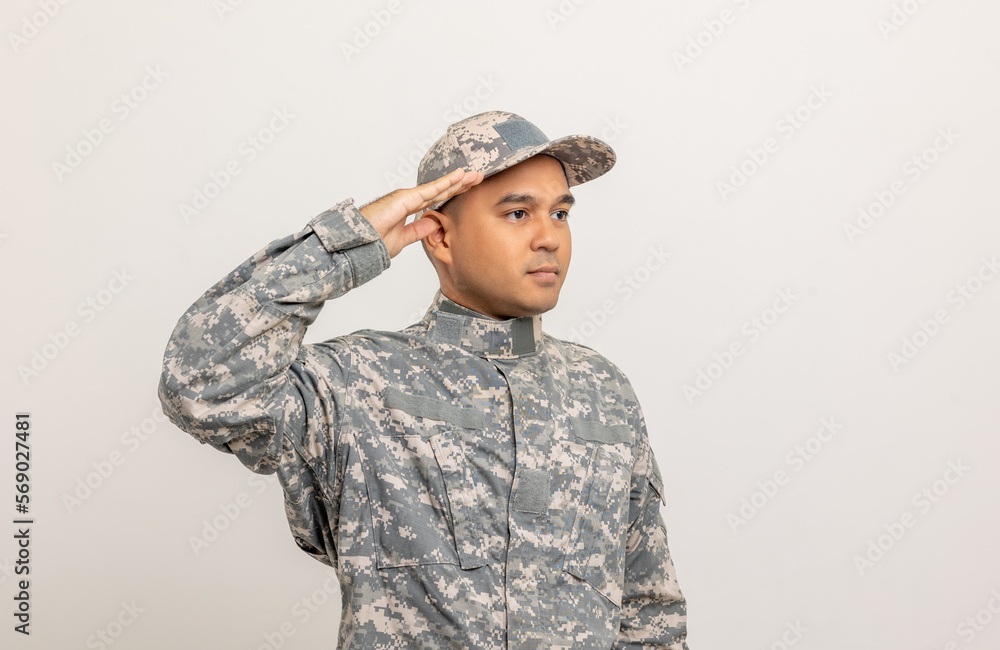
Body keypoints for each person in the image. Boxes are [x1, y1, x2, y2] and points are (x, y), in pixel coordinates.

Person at [158, 110, 689, 649]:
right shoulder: (358, 382)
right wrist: (351, 243)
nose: (548, 237)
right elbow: (201, 382)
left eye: (559, 213)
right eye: (516, 213)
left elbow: (648, 614)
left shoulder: (602, 391)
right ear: (439, 237)